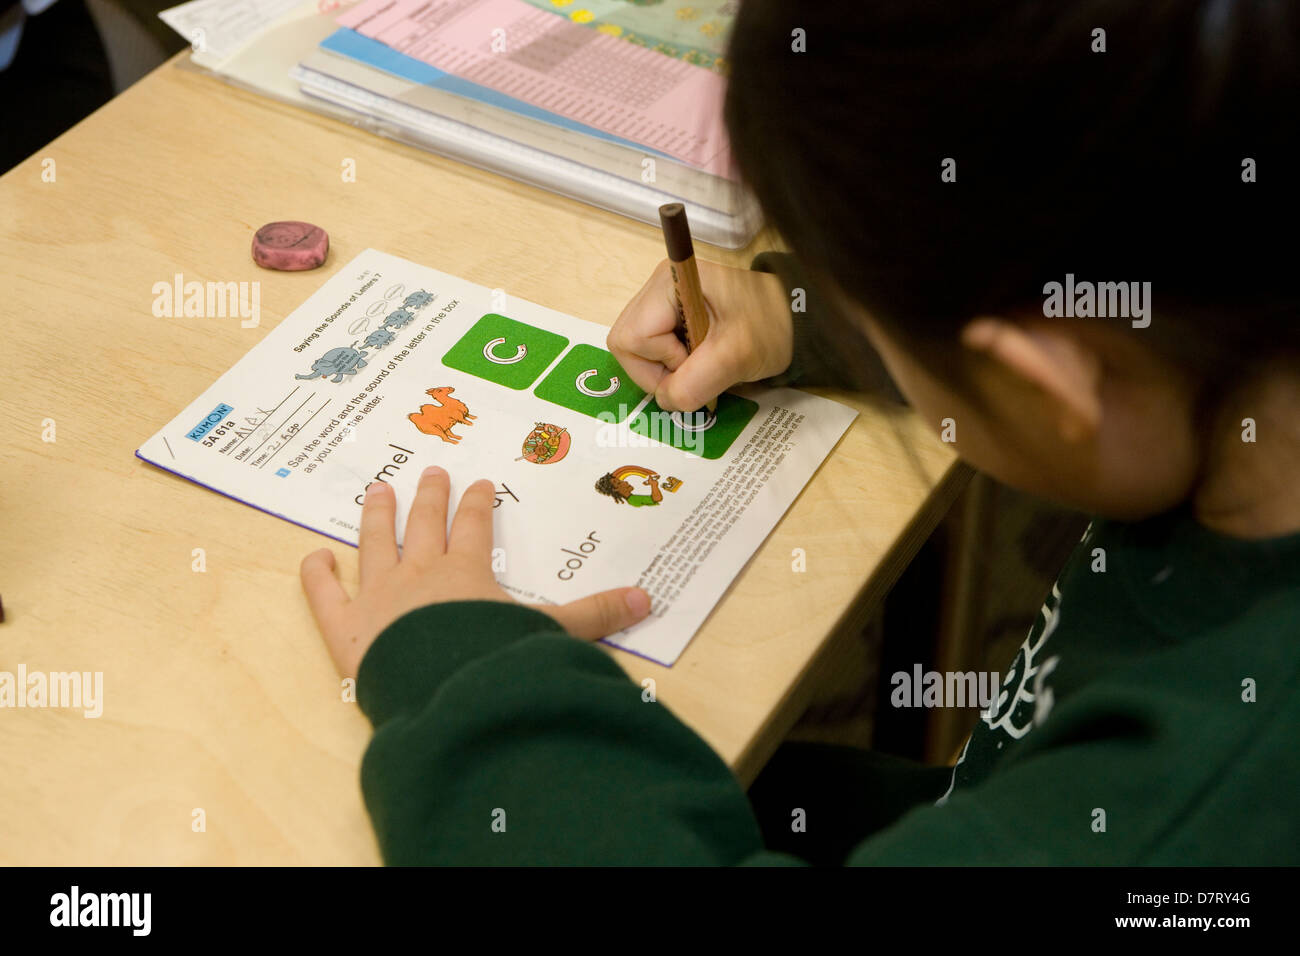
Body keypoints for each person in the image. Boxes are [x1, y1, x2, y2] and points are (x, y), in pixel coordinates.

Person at [298, 0, 1300, 864]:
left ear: (1038, 382)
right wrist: (804, 317)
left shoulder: (1187, 818)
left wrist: (466, 681)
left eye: (891, 324)